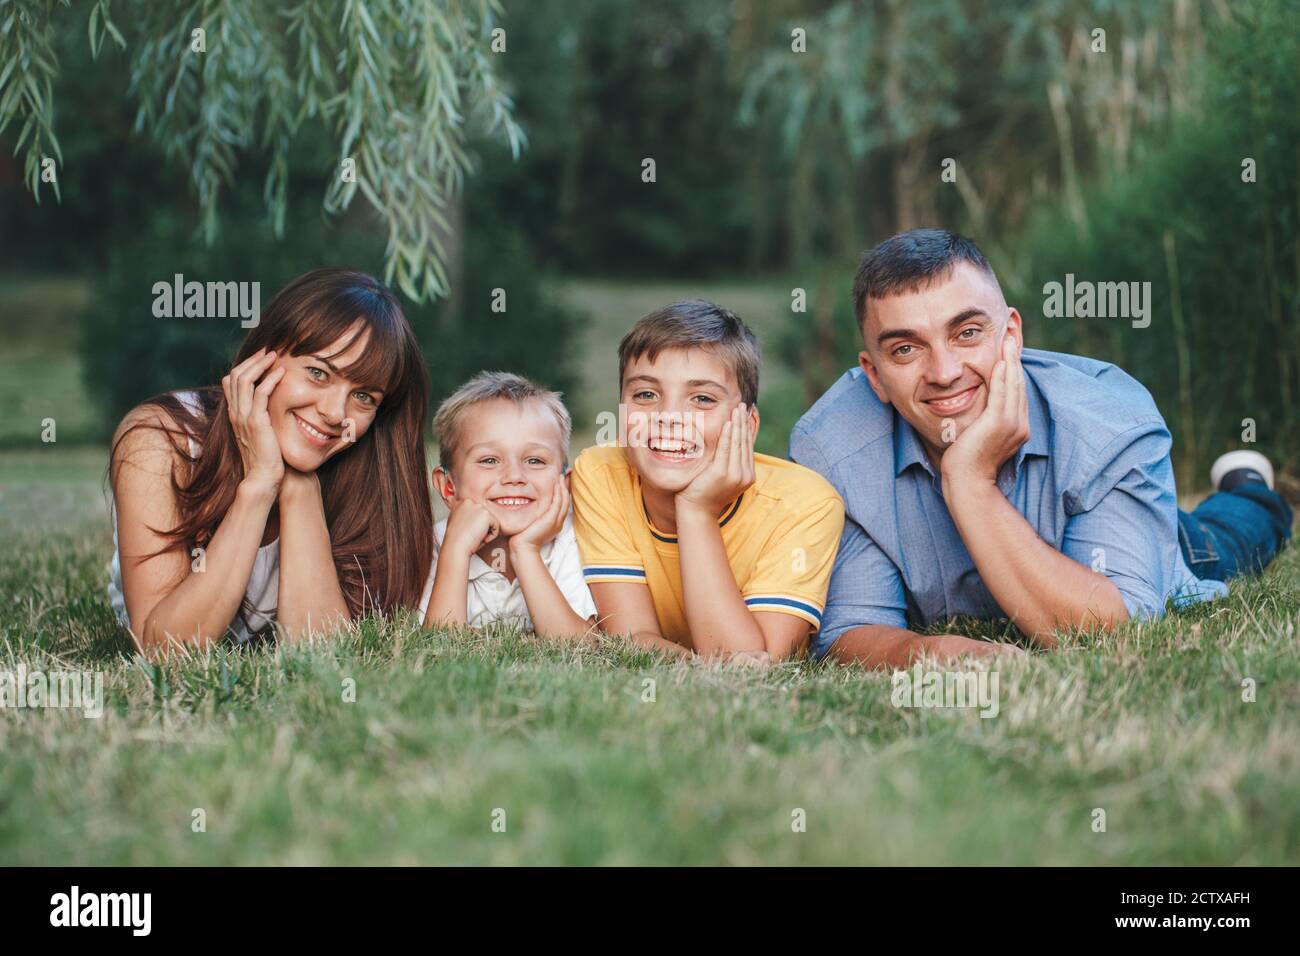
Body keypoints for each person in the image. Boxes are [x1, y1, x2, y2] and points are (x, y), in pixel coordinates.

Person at [790, 228, 1294, 668]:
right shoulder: (834, 449)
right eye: (905, 349)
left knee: (1227, 536)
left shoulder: (1106, 423)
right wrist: (945, 654)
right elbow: (852, 628)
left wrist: (969, 483)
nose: (943, 373)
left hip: (1163, 543)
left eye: (967, 333)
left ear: (1011, 335)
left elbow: (1109, 631)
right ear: (873, 375)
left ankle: (1250, 486)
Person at [108, 268, 433, 653]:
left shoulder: (369, 469)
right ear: (264, 359)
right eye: (317, 373)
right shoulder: (161, 439)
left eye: (364, 396)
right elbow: (166, 650)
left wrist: (298, 485)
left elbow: (321, 654)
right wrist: (260, 483)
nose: (333, 412)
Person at [572, 300, 845, 662]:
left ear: (747, 426)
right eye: (646, 395)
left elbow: (755, 661)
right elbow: (632, 635)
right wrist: (701, 662)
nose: (669, 417)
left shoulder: (806, 504)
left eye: (702, 399)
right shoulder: (601, 473)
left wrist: (696, 509)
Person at [421, 372, 596, 639]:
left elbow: (578, 646)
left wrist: (525, 550)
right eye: (489, 460)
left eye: (535, 461)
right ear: (448, 486)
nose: (514, 476)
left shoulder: (571, 543)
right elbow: (439, 643)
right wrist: (456, 550)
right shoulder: (434, 545)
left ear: (565, 483)